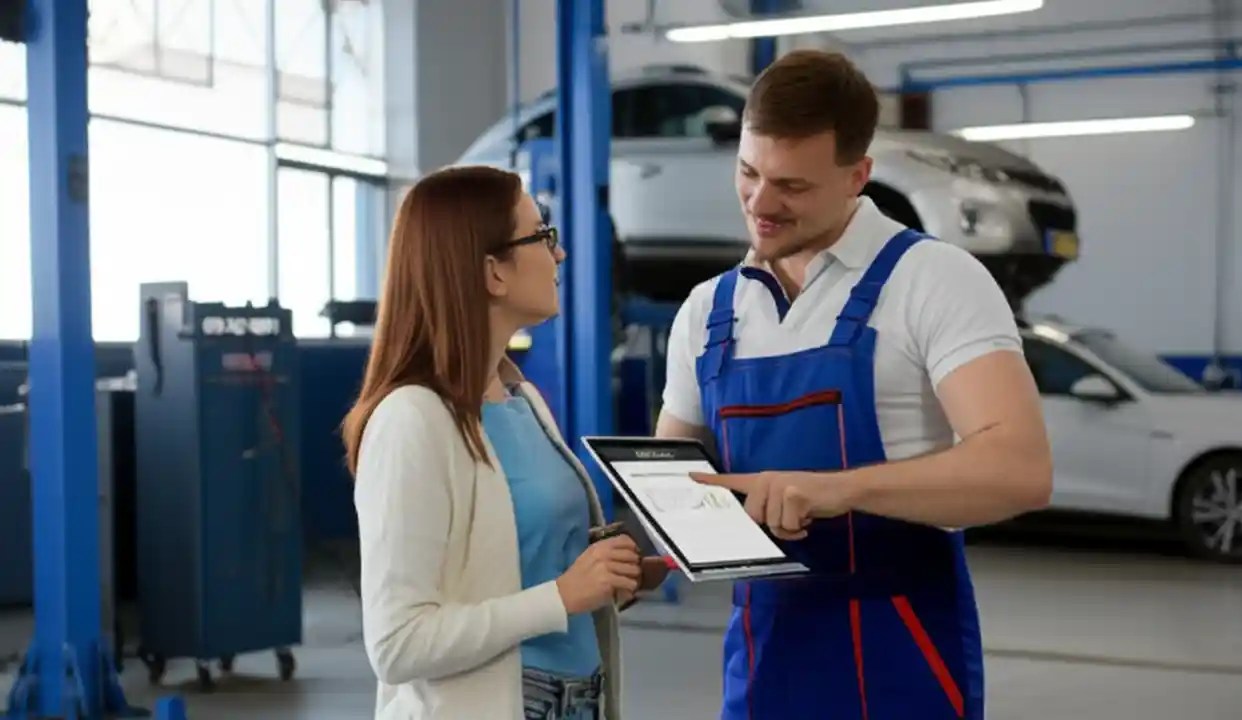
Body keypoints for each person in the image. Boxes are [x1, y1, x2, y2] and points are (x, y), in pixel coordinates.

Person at [655, 50, 1054, 719]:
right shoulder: (706, 312)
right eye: (748, 173)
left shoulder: (932, 279)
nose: (760, 203)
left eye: (792, 186)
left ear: (857, 175)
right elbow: (675, 482)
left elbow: (1020, 467)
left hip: (902, 653)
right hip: (761, 658)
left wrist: (836, 489)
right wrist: (648, 547)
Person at [342, 165, 664, 720]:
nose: (558, 255)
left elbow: (532, 565)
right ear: (493, 271)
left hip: (578, 697)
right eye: (542, 236)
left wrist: (610, 575)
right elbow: (397, 645)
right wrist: (562, 597)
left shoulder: (520, 398)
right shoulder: (410, 421)